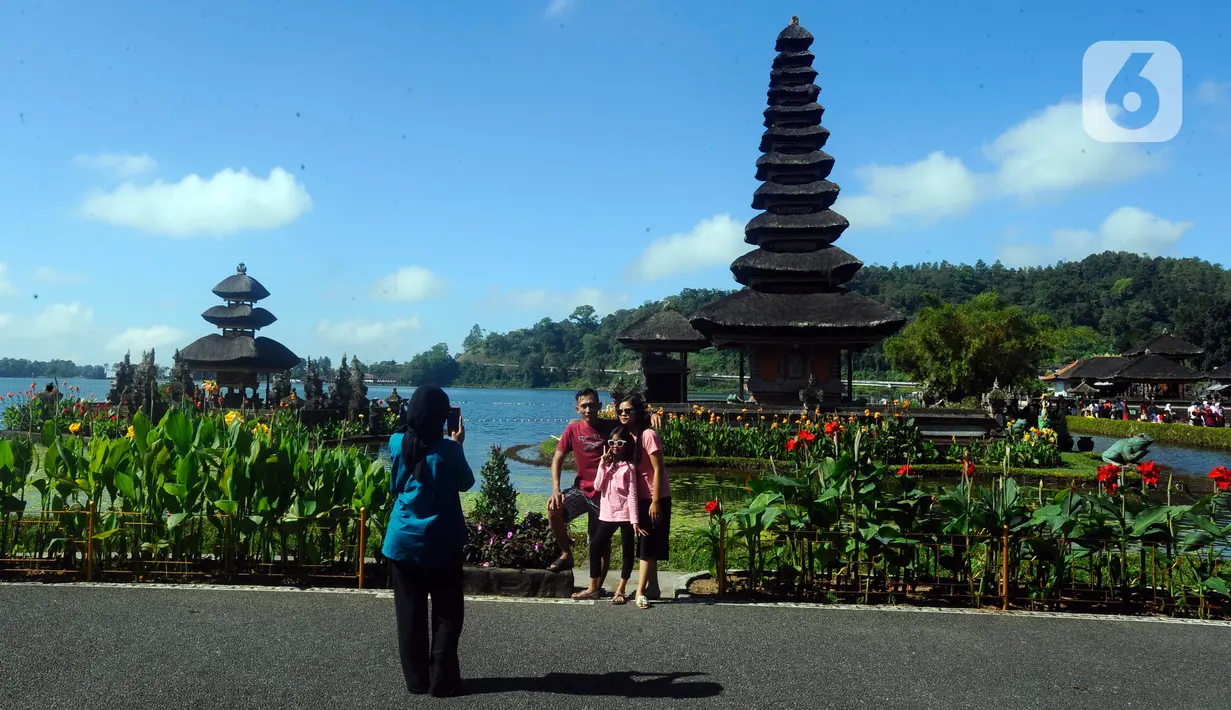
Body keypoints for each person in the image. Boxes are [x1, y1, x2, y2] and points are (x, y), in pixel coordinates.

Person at [382, 385, 473, 698]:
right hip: (443, 540)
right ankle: (442, 680)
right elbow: (466, 482)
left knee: (410, 613)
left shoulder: (396, 442)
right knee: (448, 614)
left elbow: (395, 485)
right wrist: (457, 443)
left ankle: (416, 680)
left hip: (403, 540)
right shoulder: (448, 449)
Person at [573, 425, 643, 603]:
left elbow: (632, 495)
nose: (615, 446)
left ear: (626, 444)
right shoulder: (607, 465)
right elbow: (597, 486)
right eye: (612, 442)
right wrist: (603, 466)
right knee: (595, 547)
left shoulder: (629, 468)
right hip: (607, 514)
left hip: (626, 515)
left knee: (627, 552)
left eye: (619, 442)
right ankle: (592, 587)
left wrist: (635, 521)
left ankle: (621, 589)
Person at [617, 394, 671, 610]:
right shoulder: (627, 436)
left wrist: (655, 501)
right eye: (620, 411)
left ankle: (640, 592)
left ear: (638, 412)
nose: (623, 414)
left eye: (628, 411)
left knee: (647, 545)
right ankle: (653, 587)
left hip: (655, 496)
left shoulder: (648, 435)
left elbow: (659, 469)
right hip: (639, 497)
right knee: (648, 543)